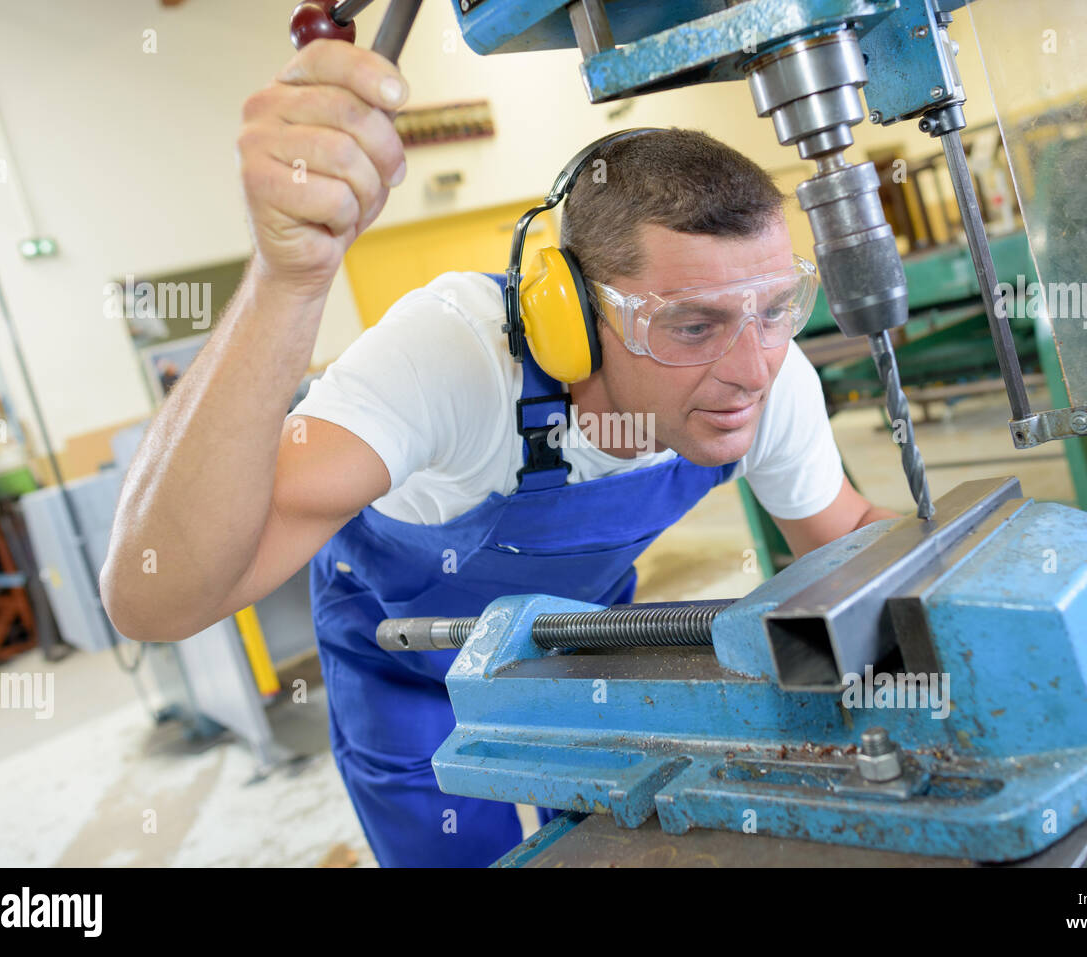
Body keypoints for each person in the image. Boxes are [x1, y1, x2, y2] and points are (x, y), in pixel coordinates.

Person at [100, 39, 898, 867]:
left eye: (776, 308)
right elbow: (155, 598)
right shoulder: (453, 359)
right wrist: (285, 280)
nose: (751, 368)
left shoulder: (769, 370)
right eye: (691, 325)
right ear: (574, 320)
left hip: (572, 644)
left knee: (610, 836)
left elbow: (840, 538)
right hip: (401, 663)